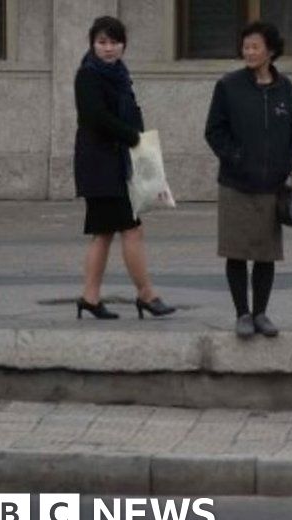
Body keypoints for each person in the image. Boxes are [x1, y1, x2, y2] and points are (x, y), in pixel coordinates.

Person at [204, 22, 292, 339]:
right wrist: (236, 158)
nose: (249, 52)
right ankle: (242, 314)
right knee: (236, 251)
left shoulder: (286, 90)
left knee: (265, 253)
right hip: (236, 183)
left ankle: (261, 312)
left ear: (270, 51)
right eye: (245, 47)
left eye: (255, 47)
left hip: (270, 186)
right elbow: (214, 131)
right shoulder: (229, 86)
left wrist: (288, 162)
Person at [74, 16, 175, 321]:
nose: (108, 48)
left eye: (114, 42)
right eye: (102, 42)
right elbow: (95, 116)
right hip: (101, 163)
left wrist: (140, 138)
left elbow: (130, 109)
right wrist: (132, 136)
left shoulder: (120, 74)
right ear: (93, 44)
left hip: (117, 162)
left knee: (103, 232)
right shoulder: (88, 75)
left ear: (123, 45)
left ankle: (90, 297)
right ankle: (146, 294)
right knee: (132, 229)